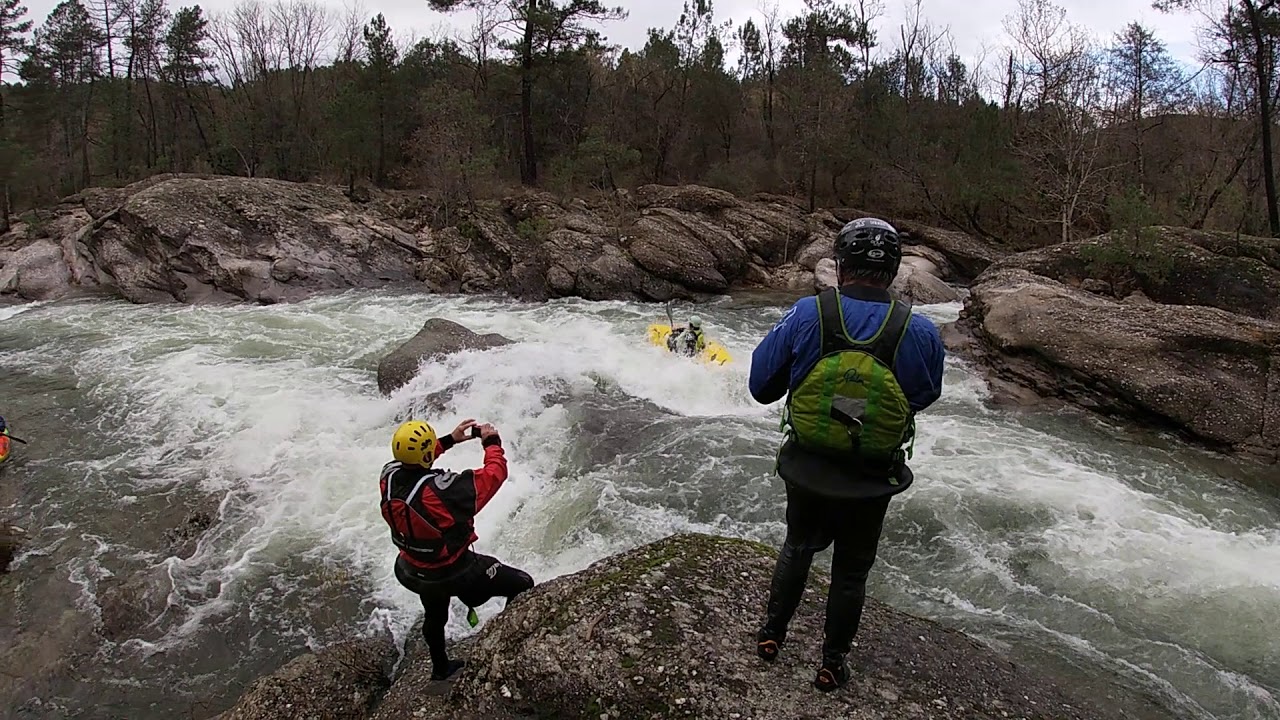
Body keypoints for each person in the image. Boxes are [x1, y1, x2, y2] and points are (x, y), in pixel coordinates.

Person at [747, 217, 945, 692]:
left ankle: (772, 635)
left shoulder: (805, 314)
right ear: (894, 270)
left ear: (838, 265)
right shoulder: (917, 330)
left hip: (810, 463)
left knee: (798, 546)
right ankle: (831, 663)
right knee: (851, 570)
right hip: (871, 473)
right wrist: (860, 409)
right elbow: (922, 394)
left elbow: (761, 387)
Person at [379, 417, 534, 681]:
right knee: (523, 583)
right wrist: (491, 442)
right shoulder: (442, 492)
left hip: (412, 569)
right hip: (454, 572)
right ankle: (508, 647)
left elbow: (417, 461)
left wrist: (451, 439)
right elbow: (495, 474)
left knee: (435, 613)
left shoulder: (388, 476)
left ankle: (440, 669)